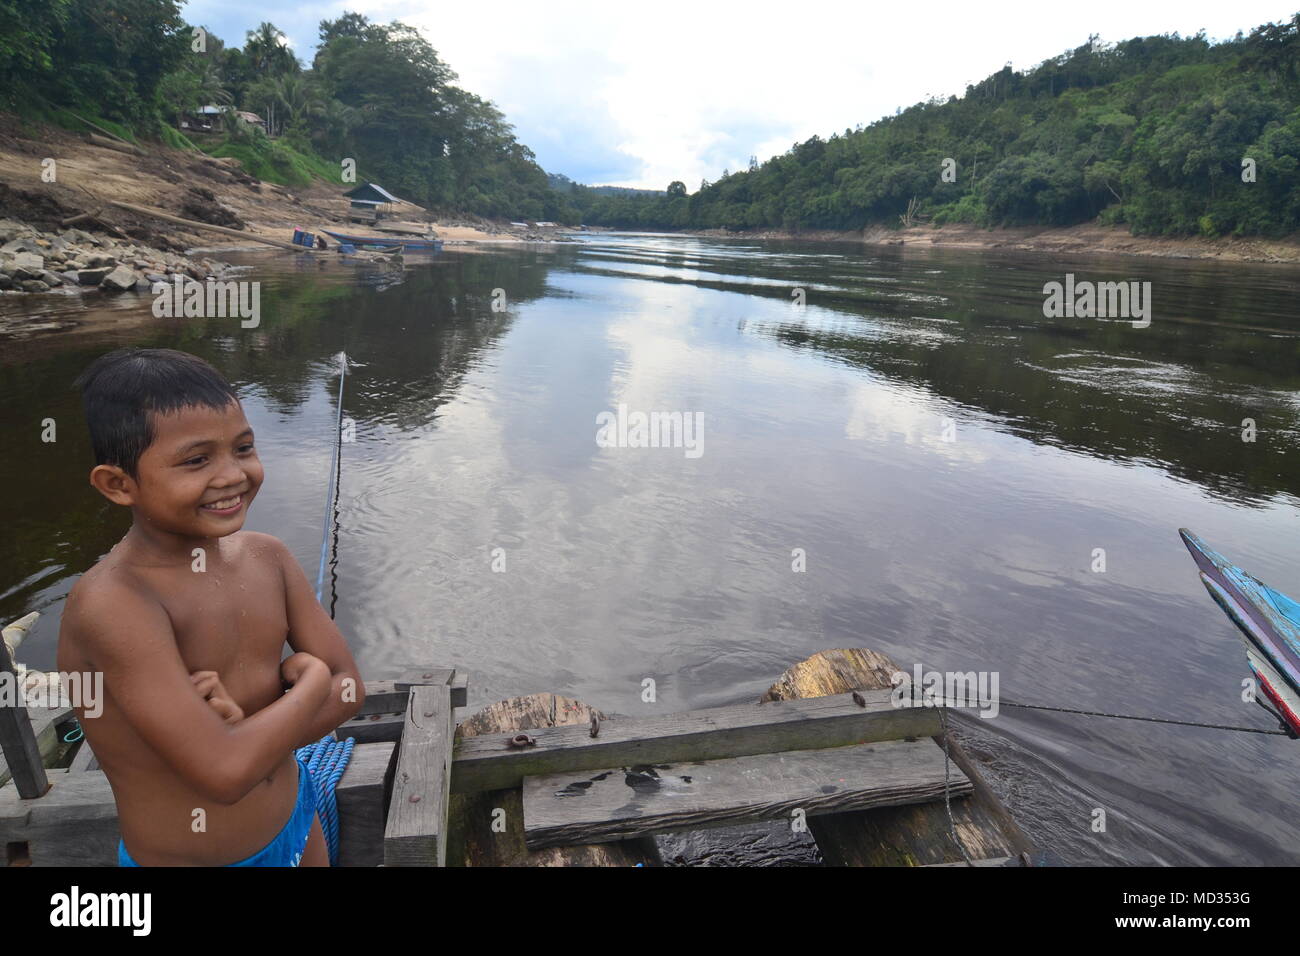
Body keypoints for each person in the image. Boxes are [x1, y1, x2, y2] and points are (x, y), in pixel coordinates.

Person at [57, 348, 364, 866]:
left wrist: (247, 733)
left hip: (296, 816)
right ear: (118, 484)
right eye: (196, 460)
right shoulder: (116, 603)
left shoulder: (269, 557)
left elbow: (350, 690)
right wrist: (309, 684)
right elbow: (225, 775)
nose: (232, 475)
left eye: (243, 448)